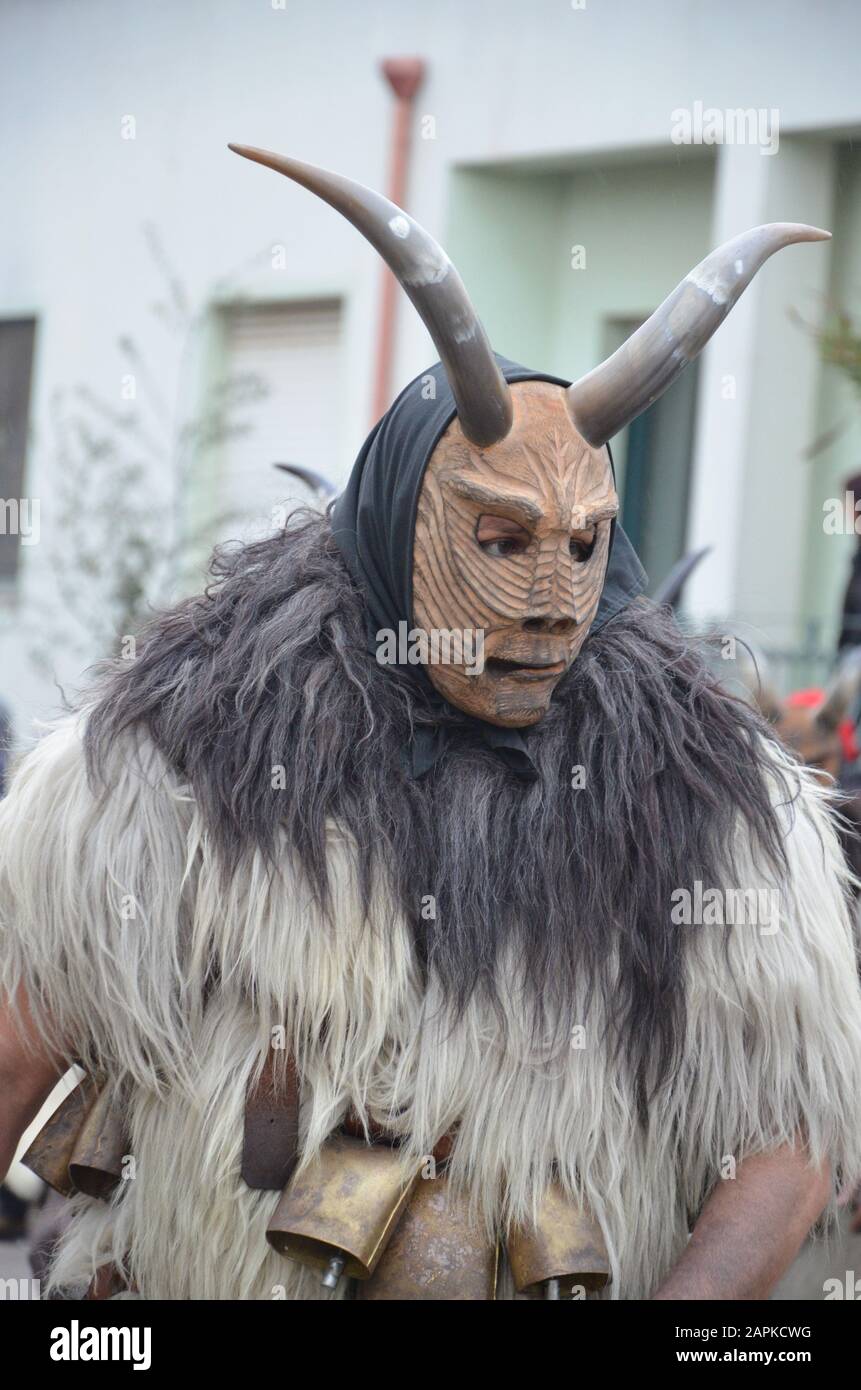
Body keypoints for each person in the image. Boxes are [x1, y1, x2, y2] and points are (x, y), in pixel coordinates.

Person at [0, 149, 859, 1301]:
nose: (555, 603)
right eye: (500, 541)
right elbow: (21, 1041)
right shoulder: (175, 755)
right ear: (404, 524)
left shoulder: (713, 807)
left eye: (584, 542)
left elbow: (789, 1131)